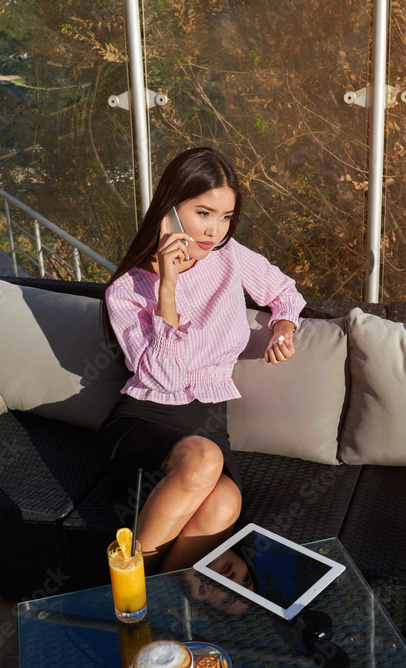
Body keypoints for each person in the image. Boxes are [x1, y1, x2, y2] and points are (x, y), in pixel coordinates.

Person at [98, 146, 306, 574]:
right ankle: (126, 593)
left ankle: (155, 604)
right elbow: (165, 379)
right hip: (144, 419)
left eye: (226, 217)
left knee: (227, 501)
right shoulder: (126, 290)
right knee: (205, 459)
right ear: (169, 211)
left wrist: (283, 327)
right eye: (204, 213)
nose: (216, 230)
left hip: (208, 421)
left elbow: (285, 292)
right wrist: (168, 290)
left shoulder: (230, 256)